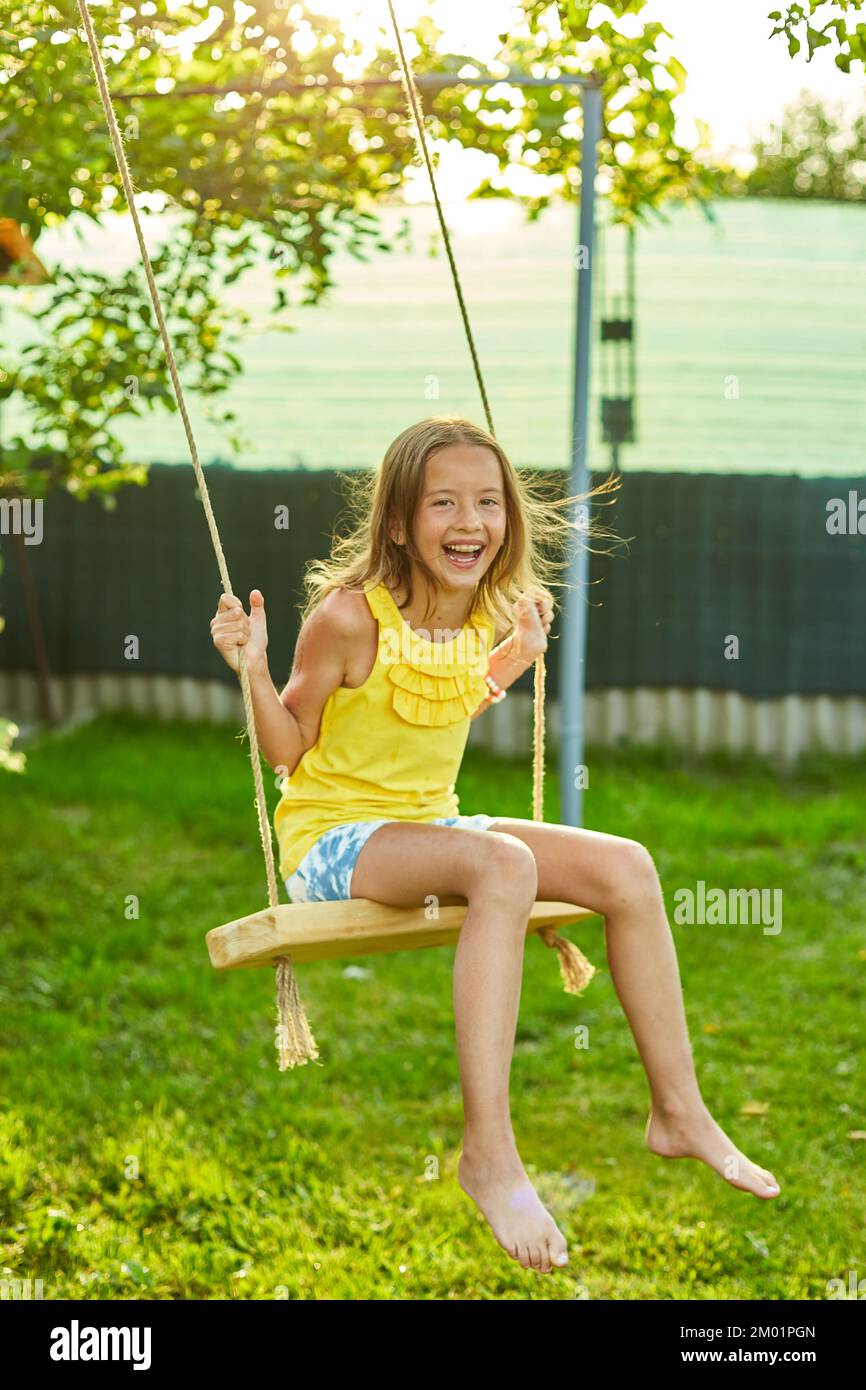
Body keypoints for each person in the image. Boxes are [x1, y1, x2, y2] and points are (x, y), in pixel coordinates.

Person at [211, 416, 781, 1276]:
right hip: (333, 841)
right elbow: (291, 748)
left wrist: (518, 653)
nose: (469, 521)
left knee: (626, 866)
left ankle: (680, 1110)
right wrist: (251, 669)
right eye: (443, 502)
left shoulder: (481, 612)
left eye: (487, 502)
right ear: (399, 522)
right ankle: (489, 1152)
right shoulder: (346, 618)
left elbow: (449, 700)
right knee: (503, 863)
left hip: (428, 827)